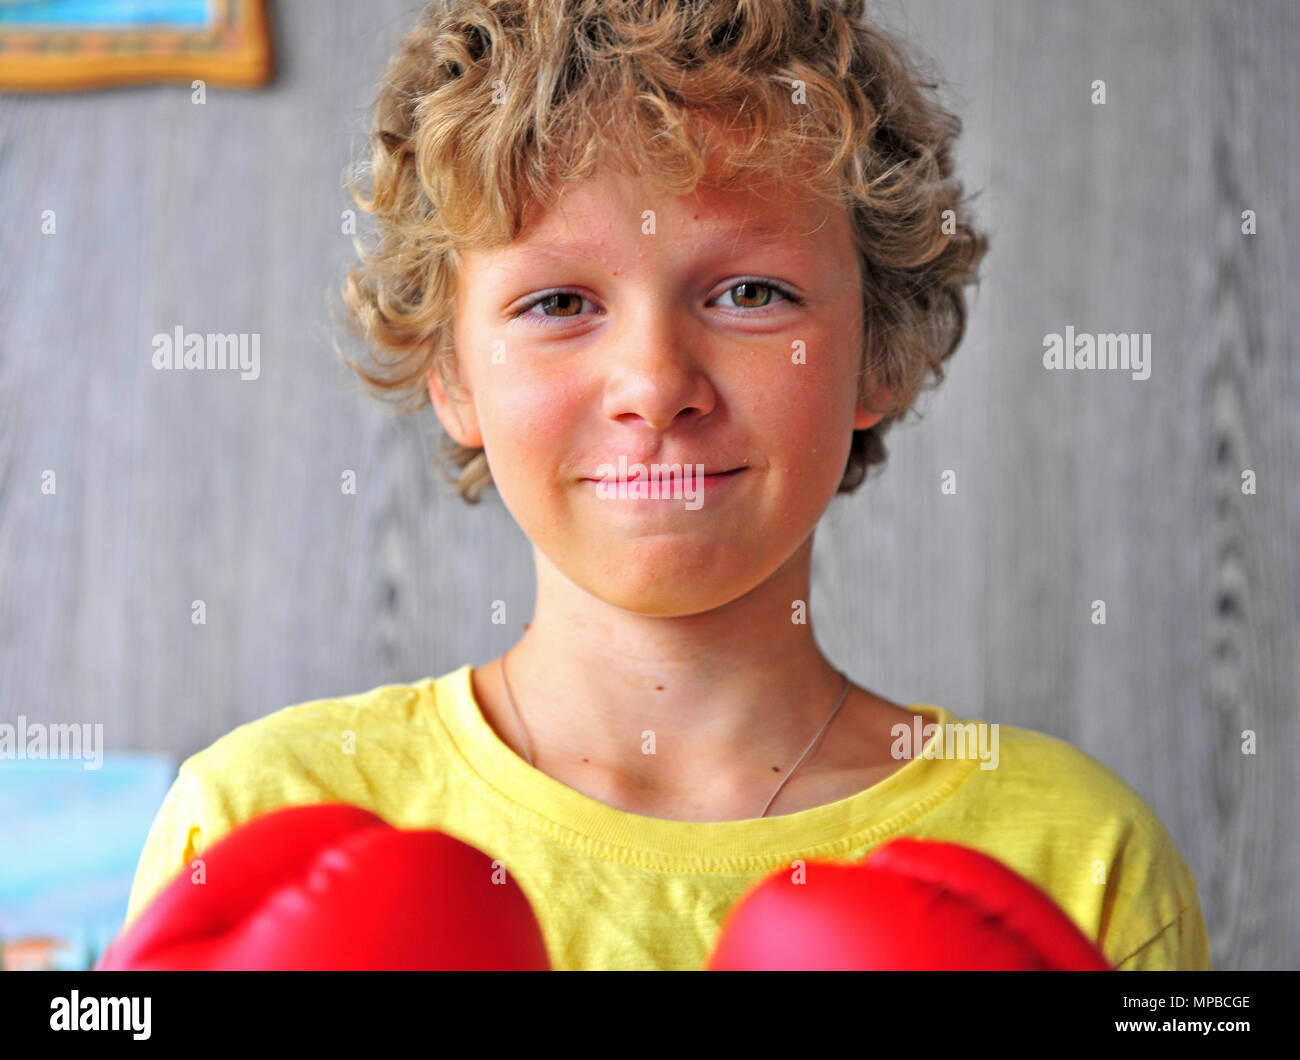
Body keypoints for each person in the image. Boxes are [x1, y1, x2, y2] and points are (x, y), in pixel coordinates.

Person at [122, 0, 1211, 971]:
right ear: (450, 373)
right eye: (557, 303)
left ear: (879, 349)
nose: (653, 384)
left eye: (749, 291)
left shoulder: (1079, 856)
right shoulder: (258, 811)